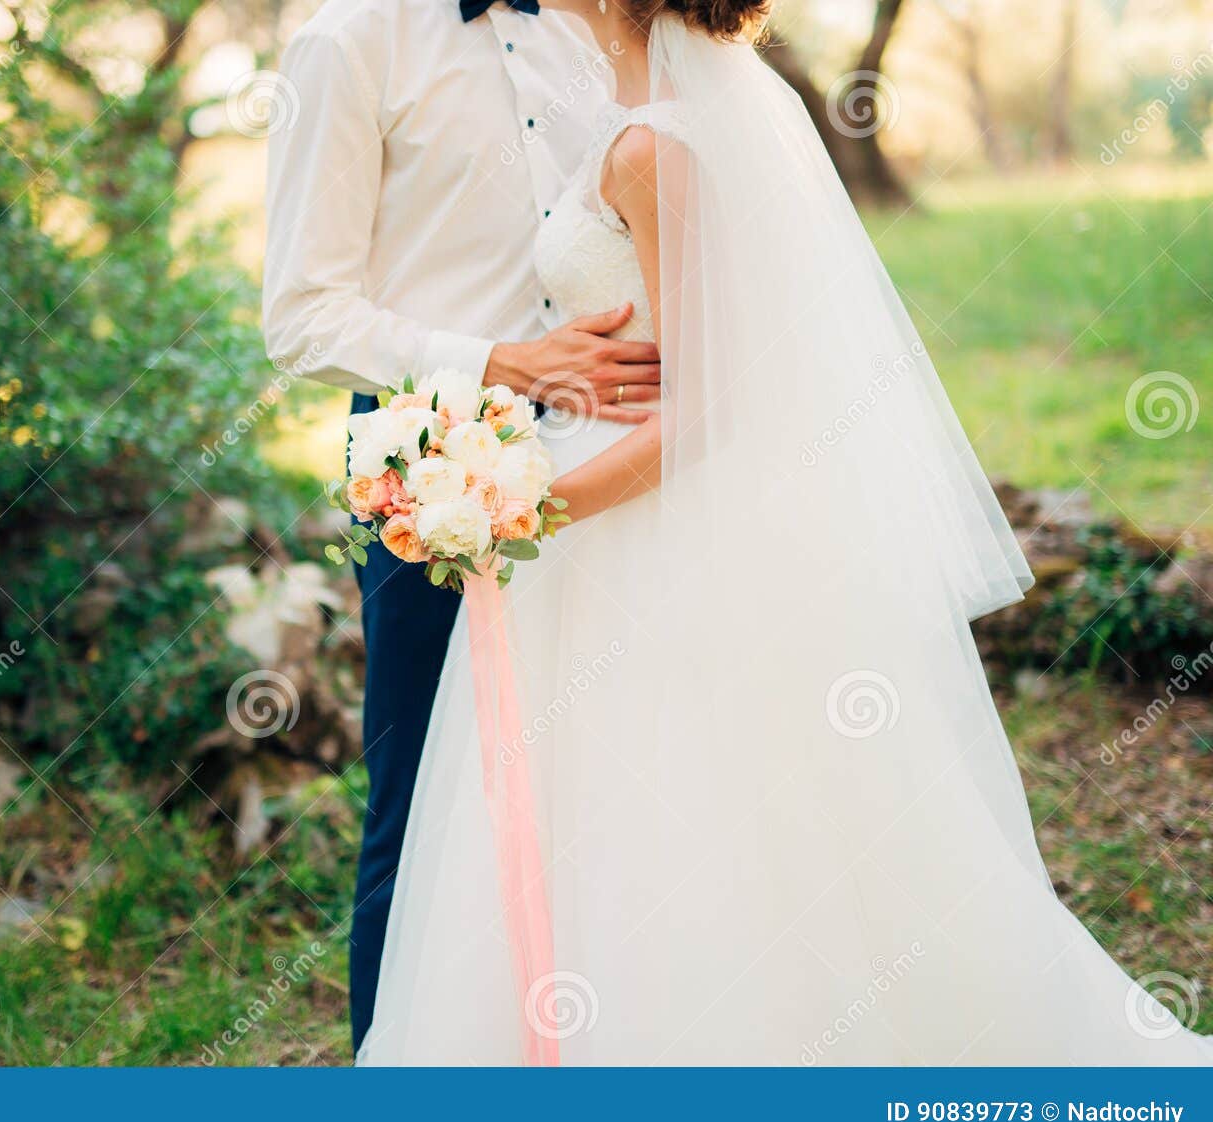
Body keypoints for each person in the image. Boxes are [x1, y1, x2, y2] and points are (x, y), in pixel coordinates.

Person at [354, 0, 1213, 1064]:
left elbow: (713, 406)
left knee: (674, 813)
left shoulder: (652, 145)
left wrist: (525, 512)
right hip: (613, 526)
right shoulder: (649, 117)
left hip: (628, 531)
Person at [262, 0, 661, 1054]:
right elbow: (300, 315)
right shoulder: (346, 43)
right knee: (427, 800)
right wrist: (498, 363)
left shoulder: (608, 26)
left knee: (611, 787)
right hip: (438, 460)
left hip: (620, 457)